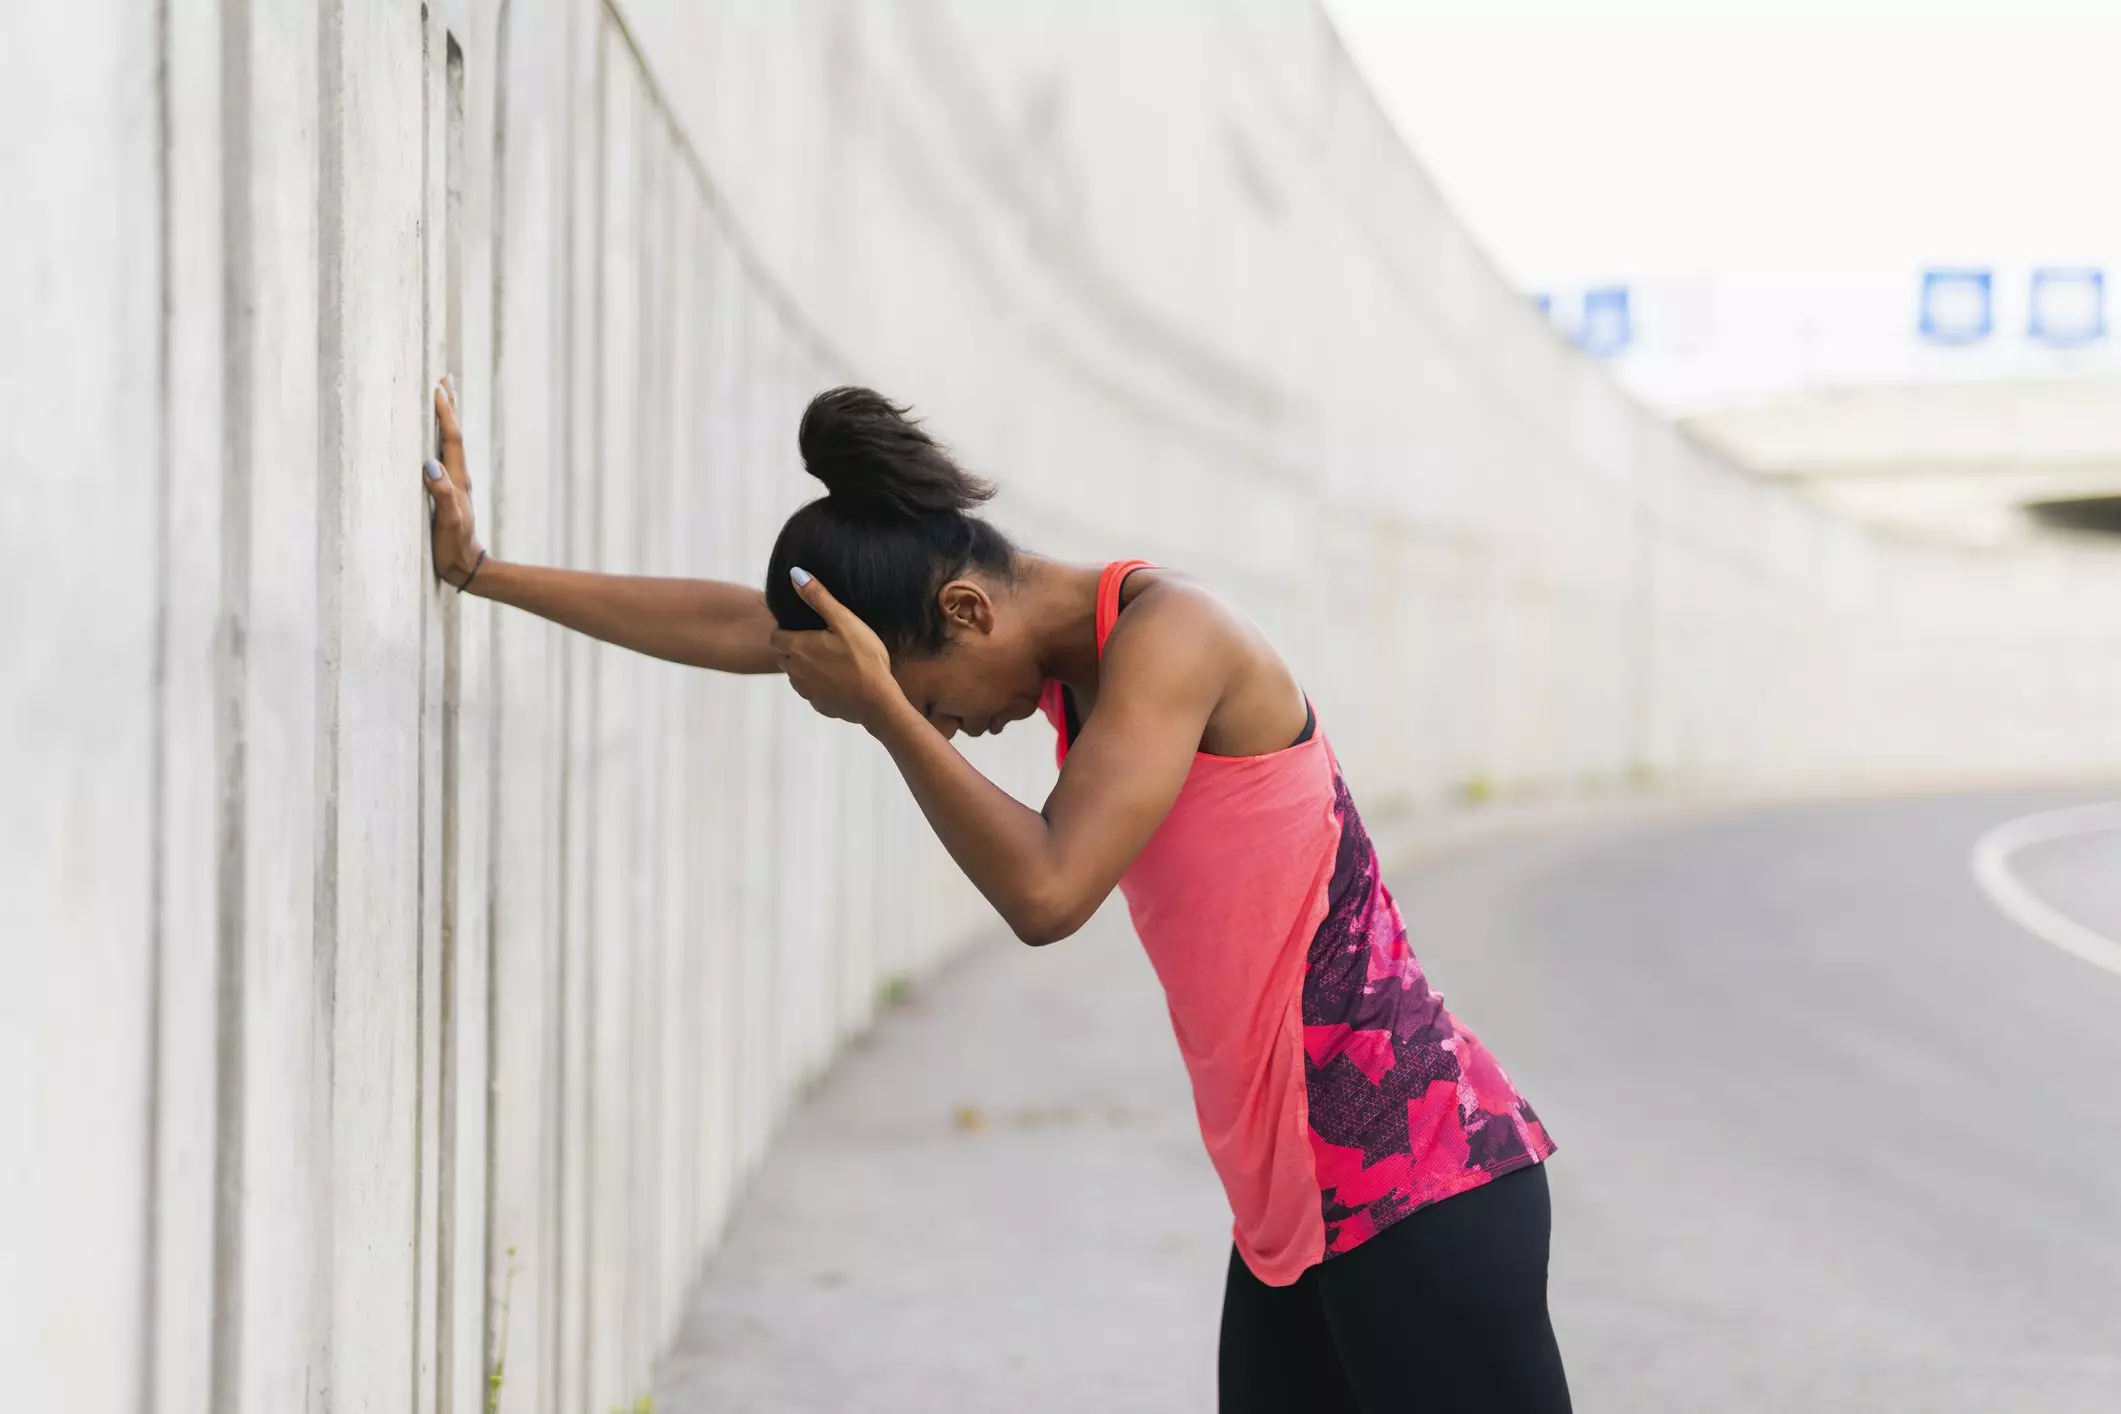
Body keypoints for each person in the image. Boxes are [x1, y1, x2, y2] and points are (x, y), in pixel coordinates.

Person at [422, 379, 1571, 1412]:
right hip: (1296, 1212)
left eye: (929, 696)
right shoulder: (1080, 662)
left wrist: (884, 714)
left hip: (1419, 1185)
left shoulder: (1178, 639)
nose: (940, 723)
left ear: (968, 612)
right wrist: (483, 572)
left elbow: (1048, 890)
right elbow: (746, 627)